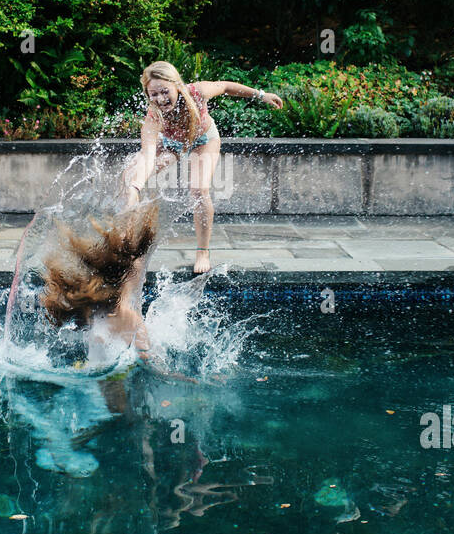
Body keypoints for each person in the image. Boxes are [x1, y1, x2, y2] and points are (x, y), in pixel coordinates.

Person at [121, 61, 282, 273]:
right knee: (130, 173)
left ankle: (202, 251)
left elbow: (225, 86)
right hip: (172, 144)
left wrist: (261, 95)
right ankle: (125, 238)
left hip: (203, 139)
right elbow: (148, 156)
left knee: (198, 190)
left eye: (164, 91)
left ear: (176, 85)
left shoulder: (196, 92)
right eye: (154, 94)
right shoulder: (153, 117)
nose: (160, 99)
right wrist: (134, 188)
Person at [39, 201, 159, 354]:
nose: (144, 278)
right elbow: (146, 358)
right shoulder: (129, 316)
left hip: (94, 367)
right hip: (112, 376)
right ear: (126, 277)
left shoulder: (98, 310)